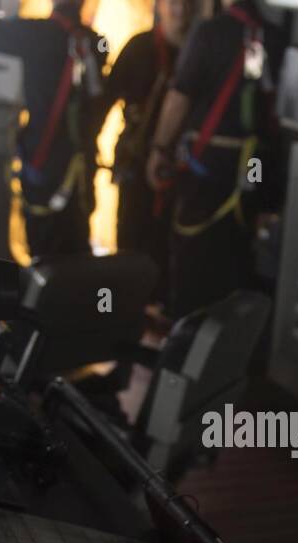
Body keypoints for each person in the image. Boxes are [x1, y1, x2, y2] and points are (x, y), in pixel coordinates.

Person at [145, 0, 286, 320]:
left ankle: (186, 344)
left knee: (194, 262)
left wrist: (159, 148)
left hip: (208, 169)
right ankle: (222, 350)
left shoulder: (209, 33)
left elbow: (180, 97)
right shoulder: (276, 37)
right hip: (256, 171)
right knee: (236, 260)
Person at [0, 0, 106, 261]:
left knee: (44, 249)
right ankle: (77, 297)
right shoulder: (96, 43)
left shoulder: (38, 34)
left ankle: (46, 299)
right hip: (83, 167)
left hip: (45, 166)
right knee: (77, 244)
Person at [102, 0, 195, 312]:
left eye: (188, 4)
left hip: (181, 172)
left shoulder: (197, 52)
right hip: (135, 164)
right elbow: (106, 99)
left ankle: (159, 321)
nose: (180, 11)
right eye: (174, 4)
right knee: (130, 240)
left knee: (168, 248)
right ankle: (123, 321)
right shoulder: (140, 47)